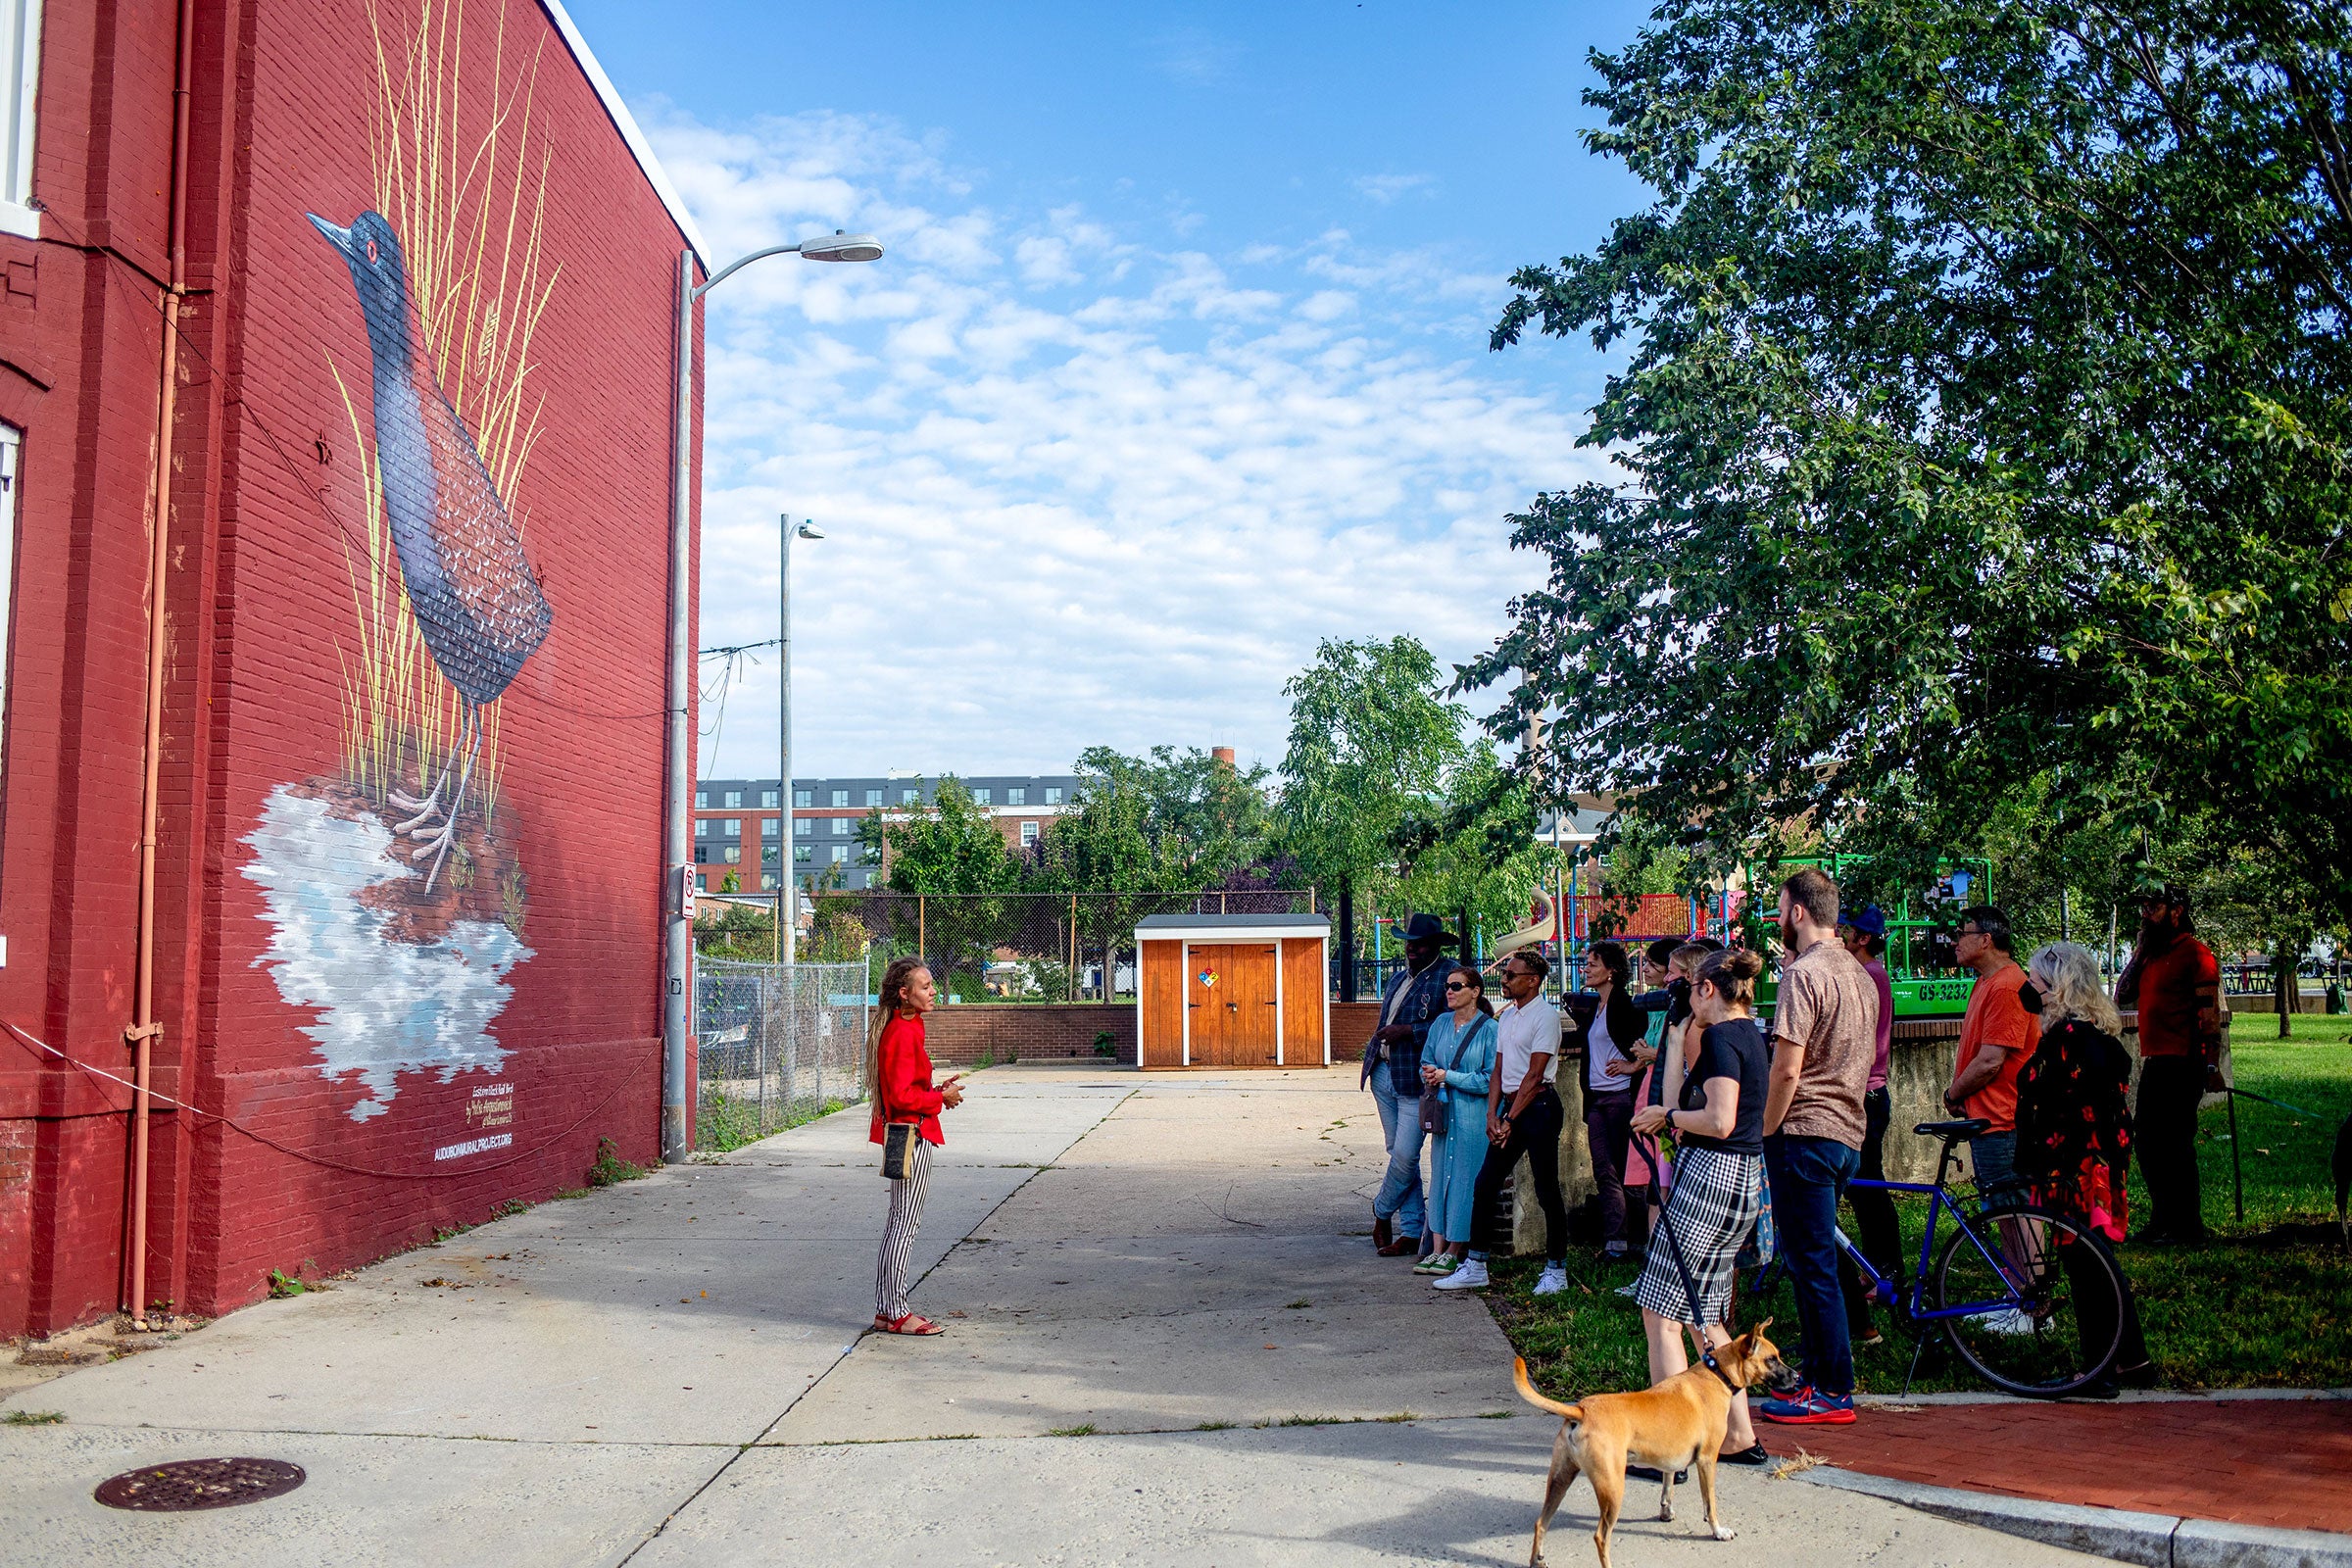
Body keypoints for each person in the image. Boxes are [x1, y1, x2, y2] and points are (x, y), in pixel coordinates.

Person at [1629, 948, 1774, 1466]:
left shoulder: (1717, 1039)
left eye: (1691, 989)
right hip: (1743, 1181)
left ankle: (1668, 1444)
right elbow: (1692, 1112)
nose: (1688, 1000)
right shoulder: (1748, 1035)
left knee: (1661, 1316)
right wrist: (1671, 1049)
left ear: (1708, 989)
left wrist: (1668, 1114)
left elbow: (1718, 1120)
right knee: (1702, 1313)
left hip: (1711, 1180)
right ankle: (1738, 1437)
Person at [1754, 867, 1878, 1427]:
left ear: (1798, 912)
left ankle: (1830, 1390)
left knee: (1811, 1266)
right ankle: (1822, 1378)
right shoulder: (1859, 973)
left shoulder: (1802, 975)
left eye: (1780, 909)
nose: (1778, 919)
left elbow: (1786, 1067)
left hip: (1804, 1131)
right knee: (1817, 1262)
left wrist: (1764, 1130)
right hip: (1848, 1130)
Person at [2017, 942, 2154, 1394]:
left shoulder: (2069, 1040)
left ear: (2057, 987)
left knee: (2085, 1262)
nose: (2029, 989)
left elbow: (2064, 1101)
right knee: (2097, 1259)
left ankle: (2097, 1368)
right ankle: (2130, 1359)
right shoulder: (2094, 1035)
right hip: (2095, 1162)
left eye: (2035, 981)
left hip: (2074, 1165)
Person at [1437, 950, 1569, 1295]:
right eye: (1505, 974)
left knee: (1546, 1188)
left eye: (1511, 975)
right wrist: (1492, 1114)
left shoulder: (1546, 1017)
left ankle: (1556, 1269)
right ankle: (1476, 1264)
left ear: (1533, 980)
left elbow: (1535, 1075)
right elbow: (1498, 1070)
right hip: (1509, 1107)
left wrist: (1510, 1118)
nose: (1504, 980)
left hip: (1538, 1107)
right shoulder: (1507, 1017)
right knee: (1485, 1183)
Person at [2115, 883, 2222, 1244]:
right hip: (2157, 1060)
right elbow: (2122, 993)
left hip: (2185, 1060)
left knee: (2175, 1144)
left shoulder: (2196, 954)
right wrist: (2141, 950)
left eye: (2154, 906)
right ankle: (2164, 1218)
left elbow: (2210, 1017)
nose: (2146, 912)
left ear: (2177, 911)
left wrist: (2211, 1066)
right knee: (2146, 1142)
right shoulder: (2152, 954)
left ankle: (2188, 1225)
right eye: (2143, 905)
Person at [869, 957, 964, 1336]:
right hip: (909, 1136)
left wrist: (938, 1091)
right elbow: (901, 1097)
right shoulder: (901, 1033)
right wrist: (941, 1100)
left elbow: (909, 1088)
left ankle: (886, 1309)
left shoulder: (909, 1026)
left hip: (908, 1132)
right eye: (925, 986)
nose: (933, 991)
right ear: (904, 993)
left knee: (900, 1220)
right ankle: (895, 1312)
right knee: (903, 1224)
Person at [1361, 912, 1455, 1256]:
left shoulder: (1449, 976)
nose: (1412, 948)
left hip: (1417, 1079)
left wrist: (1409, 1032)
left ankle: (1381, 1210)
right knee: (1399, 1154)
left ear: (1435, 946)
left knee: (1404, 1154)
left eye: (1420, 943)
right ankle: (1412, 1230)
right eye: (1409, 943)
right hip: (1383, 1071)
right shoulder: (1398, 978)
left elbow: (1454, 1023)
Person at [1942, 906, 2041, 1207]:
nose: (1954, 941)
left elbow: (1990, 1061)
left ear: (1986, 940)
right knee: (2002, 1208)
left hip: (2004, 1120)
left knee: (2013, 1209)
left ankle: (2024, 1258)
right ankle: (2015, 1258)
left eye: (1962, 934)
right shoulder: (1986, 981)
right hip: (1988, 1117)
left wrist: (1952, 1094)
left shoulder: (2006, 986)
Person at [1838, 906, 1900, 1346]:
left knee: (1870, 1187)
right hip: (1863, 1091)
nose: (1840, 935)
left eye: (1846, 930)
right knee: (1861, 1189)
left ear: (1863, 938)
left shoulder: (1870, 976)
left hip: (1867, 1092)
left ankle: (1886, 1269)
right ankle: (1876, 1268)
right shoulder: (1864, 973)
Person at [1416, 964, 1499, 1276]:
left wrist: (1447, 1076)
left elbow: (1490, 1079)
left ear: (1475, 992)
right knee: (1439, 1179)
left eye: (1457, 986)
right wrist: (1428, 1073)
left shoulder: (1489, 1030)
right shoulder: (1439, 1024)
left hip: (1471, 1117)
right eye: (1447, 986)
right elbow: (1426, 1059)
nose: (1449, 991)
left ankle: (1455, 1248)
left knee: (1465, 1180)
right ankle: (1436, 1248)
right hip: (1442, 1114)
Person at [1569, 941, 1648, 1260]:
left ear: (1612, 971)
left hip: (1619, 1098)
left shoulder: (1624, 1007)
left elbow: (1648, 1044)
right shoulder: (1596, 1008)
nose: (1585, 968)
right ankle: (1615, 1242)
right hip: (1597, 1099)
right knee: (1604, 1171)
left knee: (1626, 1173)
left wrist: (1632, 1065)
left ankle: (1639, 1240)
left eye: (1592, 963)